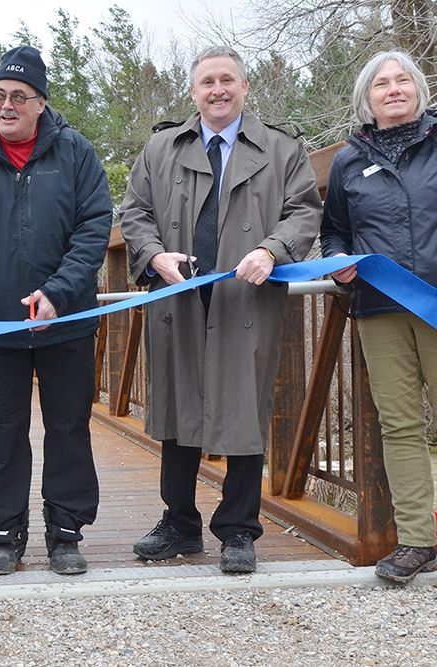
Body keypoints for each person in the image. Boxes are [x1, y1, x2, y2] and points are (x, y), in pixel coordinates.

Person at [120, 45, 321, 574]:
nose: (217, 89)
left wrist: (272, 249)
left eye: (227, 80)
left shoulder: (281, 149)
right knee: (177, 408)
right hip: (179, 297)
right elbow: (134, 212)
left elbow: (303, 211)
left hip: (246, 298)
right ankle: (180, 525)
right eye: (207, 81)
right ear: (193, 91)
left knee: (244, 410)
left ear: (244, 86)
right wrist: (152, 255)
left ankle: (238, 530)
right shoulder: (162, 147)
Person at [0, 46, 113, 576]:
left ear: (41, 103)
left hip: (66, 321)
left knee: (69, 427)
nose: (6, 105)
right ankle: (4, 532)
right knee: (4, 429)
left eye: (18, 96)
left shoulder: (77, 153)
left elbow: (94, 227)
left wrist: (59, 291)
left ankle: (66, 532)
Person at [320, 51, 437, 584]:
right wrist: (339, 260)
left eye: (402, 81)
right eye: (381, 84)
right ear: (367, 98)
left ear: (418, 89)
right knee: (401, 425)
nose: (393, 89)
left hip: (435, 304)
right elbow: (335, 232)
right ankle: (417, 539)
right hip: (379, 309)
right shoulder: (348, 160)